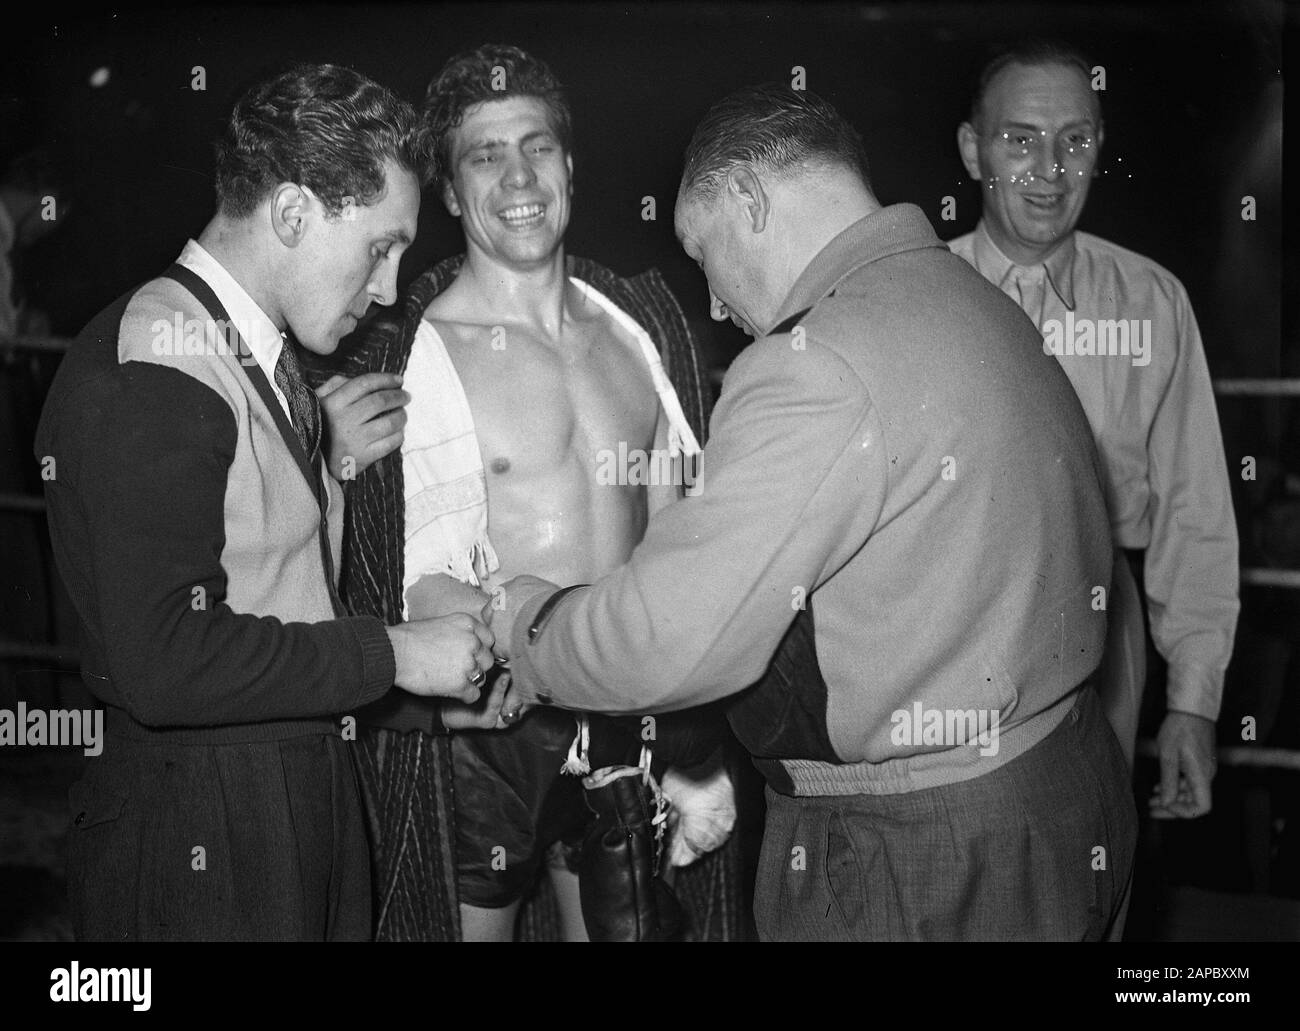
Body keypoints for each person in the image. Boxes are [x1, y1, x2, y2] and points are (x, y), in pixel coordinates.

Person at [492, 83, 1137, 941]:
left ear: (749, 200)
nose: (714, 304)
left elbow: (666, 641)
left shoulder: (815, 358)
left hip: (918, 855)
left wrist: (526, 622)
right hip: (1063, 789)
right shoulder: (978, 300)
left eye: (702, 253)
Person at [35, 64, 502, 942]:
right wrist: (395, 652)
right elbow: (164, 660)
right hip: (204, 827)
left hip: (277, 796)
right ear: (292, 213)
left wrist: (321, 460)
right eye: (380, 247)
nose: (389, 287)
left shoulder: (244, 352)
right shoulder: (159, 359)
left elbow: (272, 591)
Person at [314, 45, 738, 942]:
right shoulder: (413, 356)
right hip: (488, 727)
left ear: (570, 165)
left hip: (623, 715)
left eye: (537, 146)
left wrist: (690, 732)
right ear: (449, 191)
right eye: (485, 155)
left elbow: (680, 540)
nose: (518, 177)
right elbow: (403, 577)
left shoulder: (641, 332)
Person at [949, 41, 1239, 821]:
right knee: (955, 856)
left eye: (1074, 140)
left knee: (1090, 853)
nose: (1050, 168)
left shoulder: (1152, 302)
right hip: (944, 619)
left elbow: (1195, 511)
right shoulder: (914, 296)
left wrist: (1194, 703)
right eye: (1020, 139)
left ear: (1098, 147)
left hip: (1103, 625)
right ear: (974, 151)